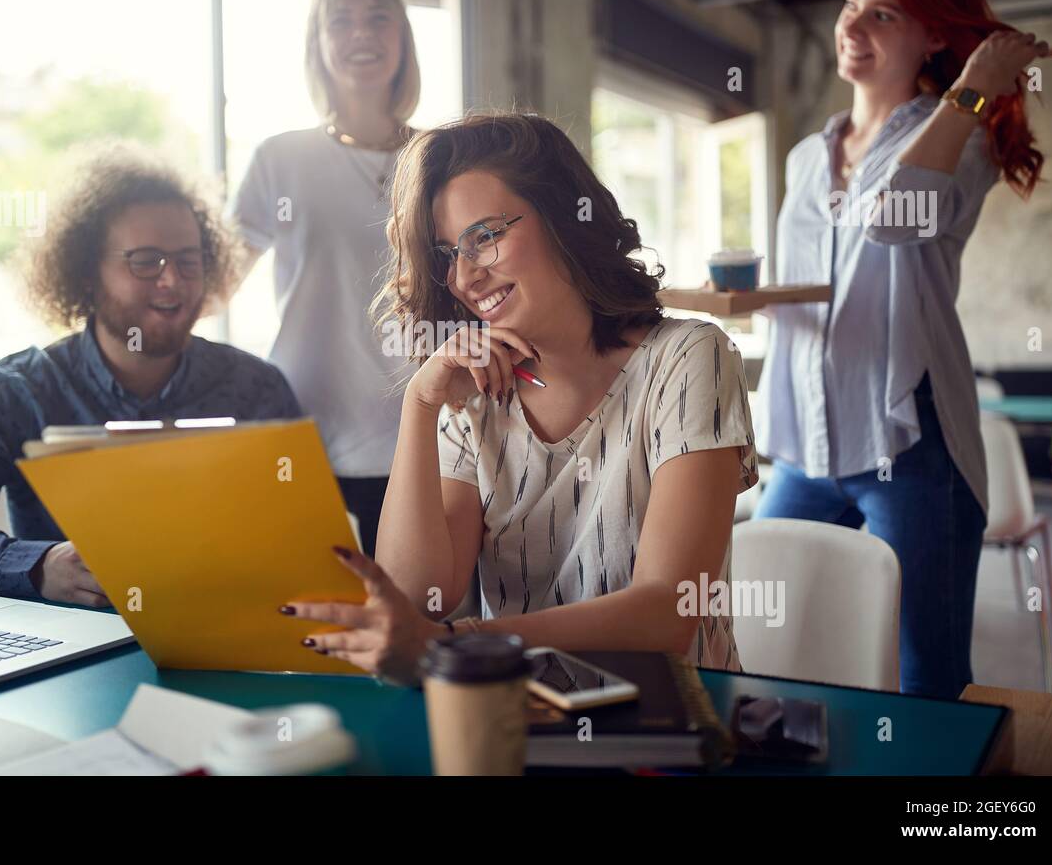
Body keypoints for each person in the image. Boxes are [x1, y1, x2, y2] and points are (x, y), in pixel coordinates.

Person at [279, 113, 759, 685]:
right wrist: (420, 405)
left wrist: (461, 643)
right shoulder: (473, 397)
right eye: (446, 254)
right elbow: (416, 600)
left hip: (679, 728)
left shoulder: (688, 357)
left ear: (563, 218)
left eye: (485, 236)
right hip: (518, 722)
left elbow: (667, 615)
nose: (463, 277)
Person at [754, 0, 1052, 698]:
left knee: (929, 676)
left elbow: (892, 219)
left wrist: (976, 87)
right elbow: (803, 282)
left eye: (882, 14)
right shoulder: (804, 157)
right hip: (806, 443)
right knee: (768, 641)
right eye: (851, 6)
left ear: (932, 35)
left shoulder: (966, 137)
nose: (852, 28)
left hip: (910, 437)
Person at [0, 143, 300, 606]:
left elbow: (301, 533)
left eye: (187, 260)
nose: (171, 281)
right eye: (145, 261)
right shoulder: (15, 391)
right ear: (87, 272)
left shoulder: (257, 388)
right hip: (76, 652)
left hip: (227, 638)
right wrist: (37, 567)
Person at [226, 0, 420, 557]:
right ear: (319, 44)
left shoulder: (441, 156)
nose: (361, 33)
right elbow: (209, 289)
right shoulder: (279, 158)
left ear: (402, 38)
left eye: (377, 18)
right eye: (341, 21)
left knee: (421, 632)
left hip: (423, 434)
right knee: (319, 636)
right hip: (303, 435)